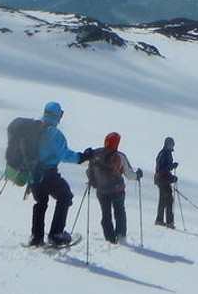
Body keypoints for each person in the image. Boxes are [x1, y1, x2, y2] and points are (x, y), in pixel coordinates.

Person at [28, 101, 90, 247]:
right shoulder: (54, 134)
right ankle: (56, 234)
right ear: (57, 115)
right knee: (65, 196)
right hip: (48, 173)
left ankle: (36, 237)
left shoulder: (34, 129)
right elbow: (64, 155)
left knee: (41, 202)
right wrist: (82, 157)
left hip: (32, 173)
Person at [86, 131, 142, 244]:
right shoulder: (120, 156)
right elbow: (129, 174)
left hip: (101, 190)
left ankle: (110, 238)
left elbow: (89, 170)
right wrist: (137, 175)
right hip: (117, 190)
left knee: (105, 214)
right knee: (120, 213)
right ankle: (121, 236)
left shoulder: (95, 154)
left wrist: (92, 182)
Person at [154, 136, 178, 228]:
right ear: (167, 144)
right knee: (168, 200)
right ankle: (169, 222)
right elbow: (162, 169)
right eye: (171, 144)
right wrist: (171, 167)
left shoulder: (165, 153)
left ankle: (159, 220)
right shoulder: (164, 154)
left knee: (163, 200)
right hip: (163, 180)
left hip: (161, 180)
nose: (172, 146)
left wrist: (172, 176)